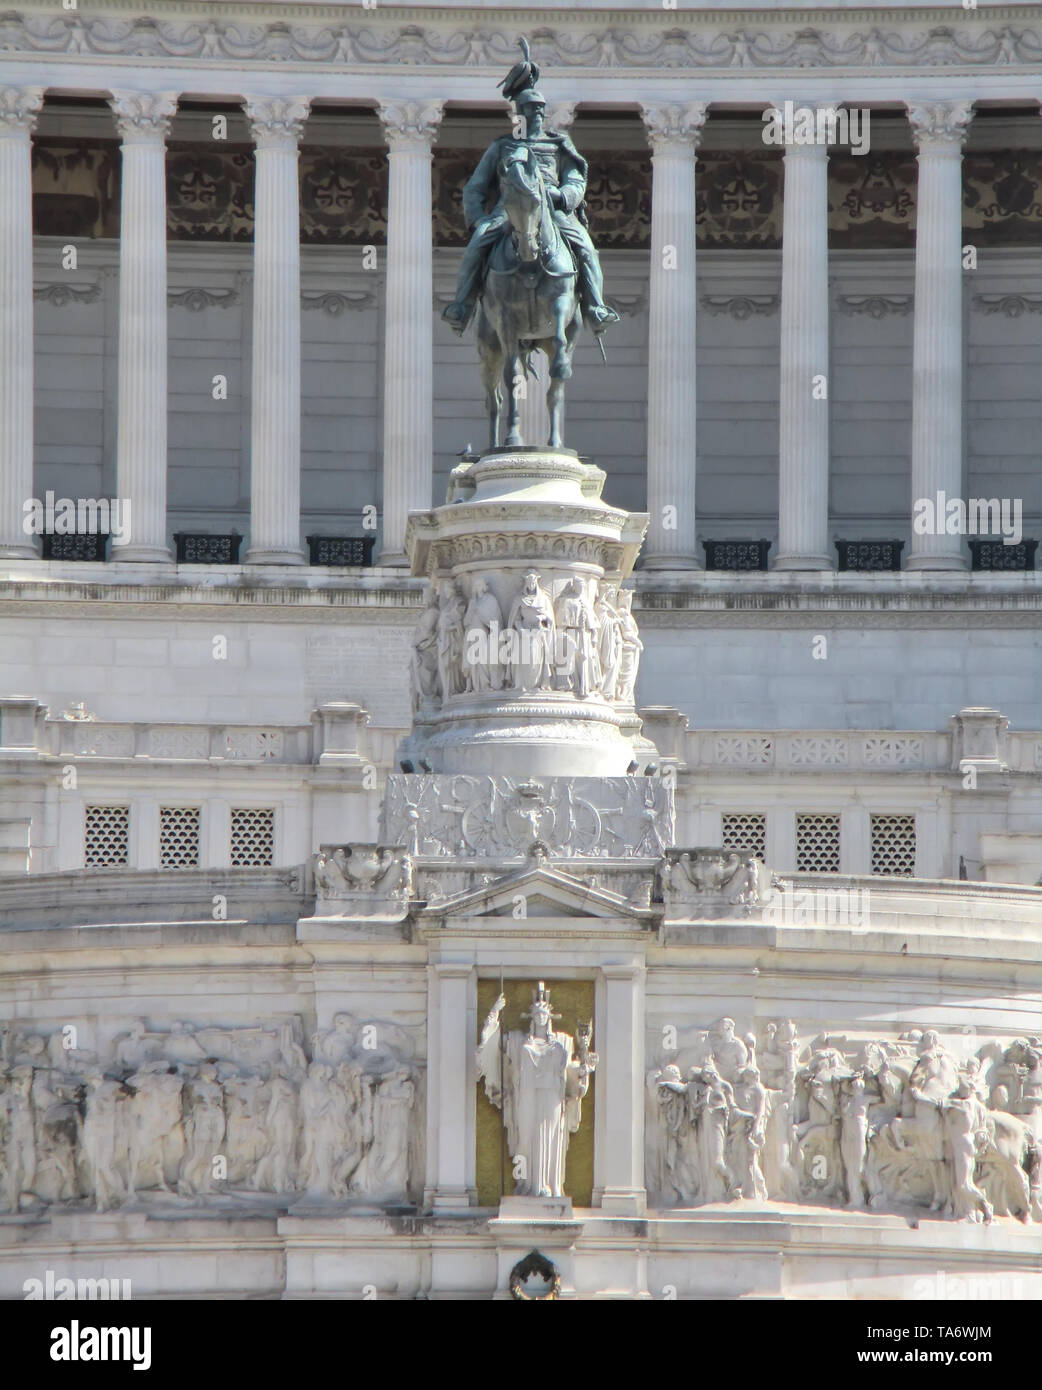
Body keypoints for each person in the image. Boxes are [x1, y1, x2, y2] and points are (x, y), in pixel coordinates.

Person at [441, 46, 619, 338]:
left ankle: (595, 308)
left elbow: (575, 181)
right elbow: (475, 188)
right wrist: (477, 222)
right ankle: (462, 306)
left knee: (586, 248)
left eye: (539, 109)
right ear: (519, 114)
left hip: (554, 211)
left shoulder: (558, 145)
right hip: (508, 212)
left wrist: (562, 196)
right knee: (476, 247)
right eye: (529, 109)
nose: (535, 114)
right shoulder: (503, 147)